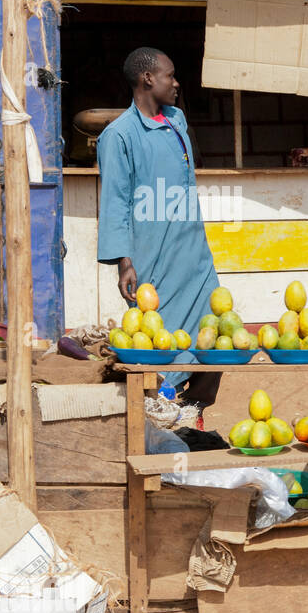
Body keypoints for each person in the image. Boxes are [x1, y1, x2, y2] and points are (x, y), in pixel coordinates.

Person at [97, 47, 220, 407]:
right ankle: (159, 417)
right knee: (158, 344)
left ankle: (192, 413)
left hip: (194, 255)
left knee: (215, 333)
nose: (177, 83)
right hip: (154, 256)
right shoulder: (118, 136)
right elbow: (115, 201)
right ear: (147, 79)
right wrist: (124, 261)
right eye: (170, 75)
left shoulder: (177, 119)